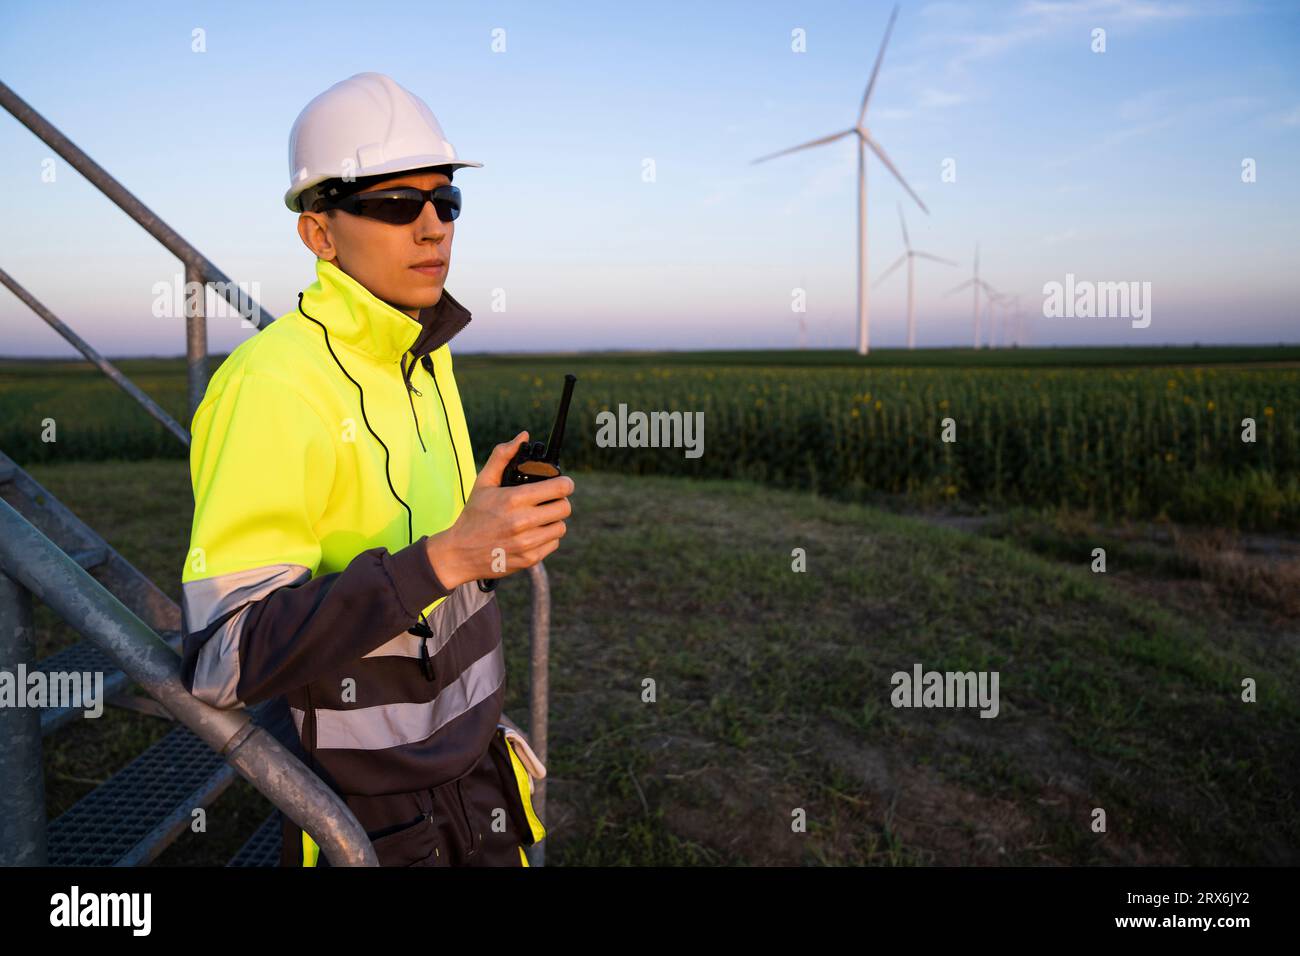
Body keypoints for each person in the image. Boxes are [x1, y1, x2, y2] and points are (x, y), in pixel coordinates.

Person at [179, 72, 572, 866]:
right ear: (319, 234)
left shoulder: (425, 354)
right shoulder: (269, 385)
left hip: (475, 769)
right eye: (396, 205)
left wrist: (488, 533)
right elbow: (225, 659)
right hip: (376, 816)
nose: (434, 230)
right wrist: (447, 556)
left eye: (446, 203)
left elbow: (438, 571)